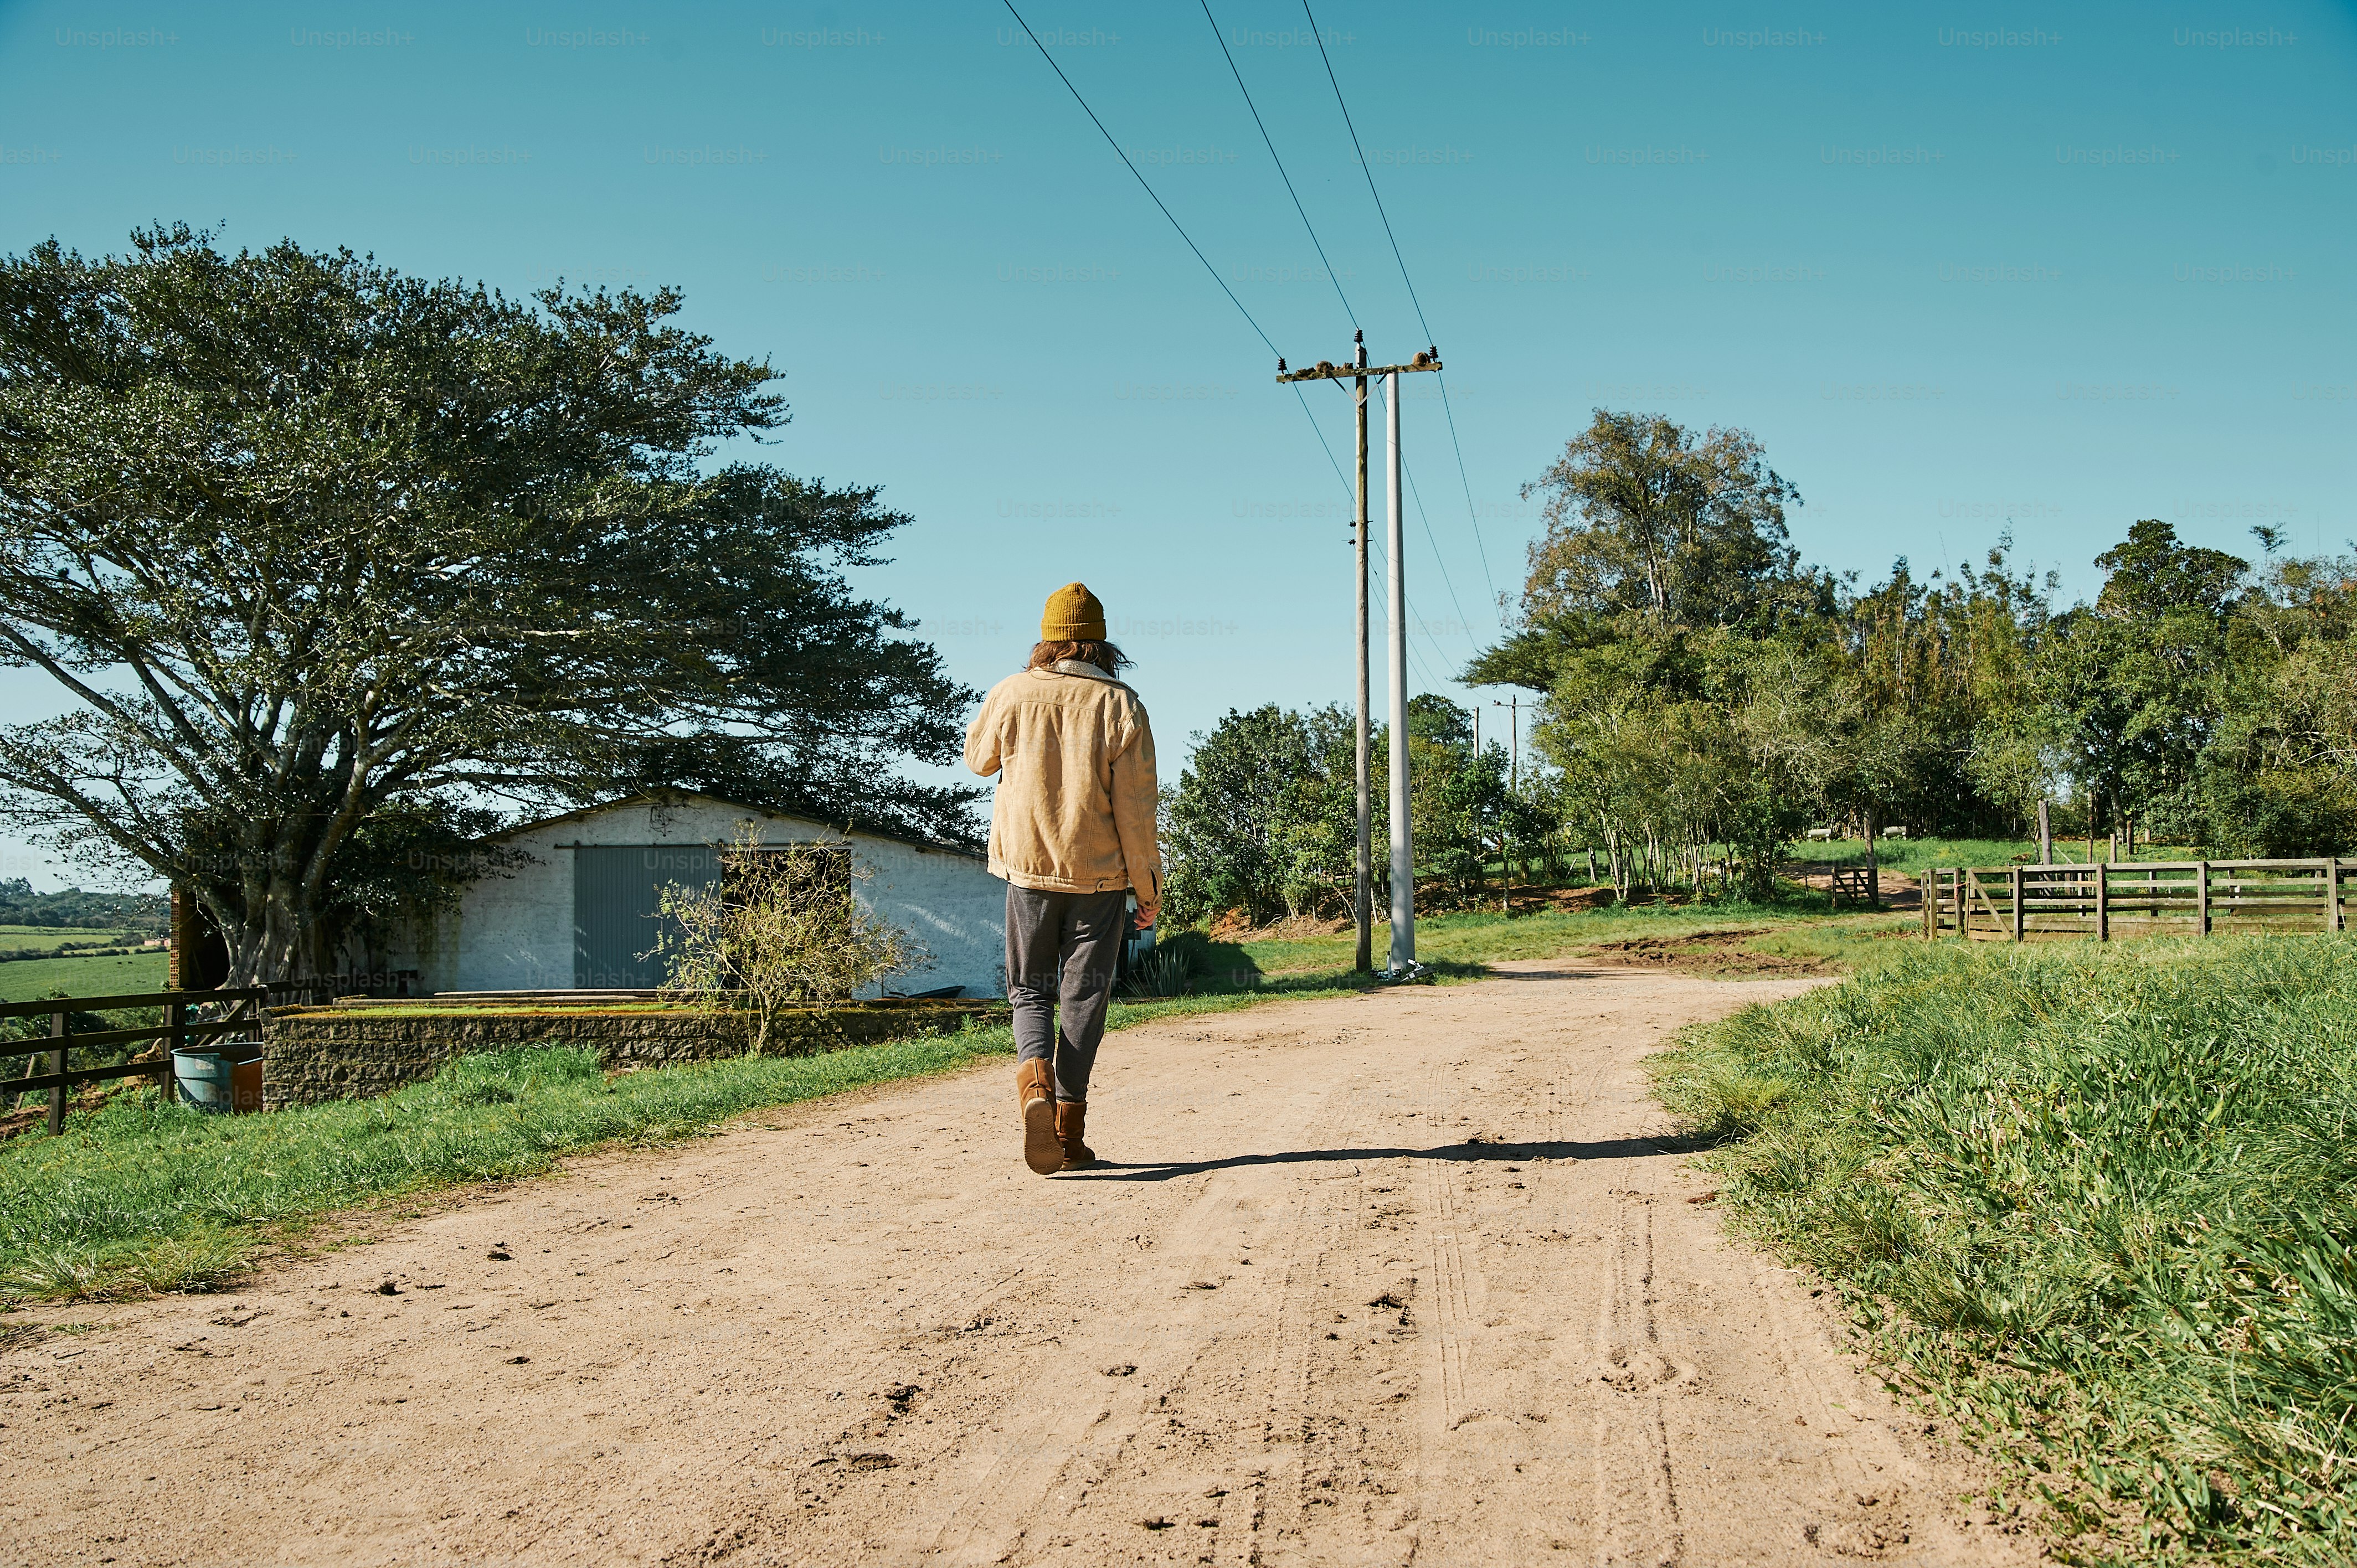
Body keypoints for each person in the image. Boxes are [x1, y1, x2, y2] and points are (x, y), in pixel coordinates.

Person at [964, 582, 1161, 1174]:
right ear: (1101, 644)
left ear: (1047, 640)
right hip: (1099, 881)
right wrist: (1147, 890)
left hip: (1027, 873)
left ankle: (1034, 1087)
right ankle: (1069, 1138)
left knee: (1028, 989)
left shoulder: (1011, 693)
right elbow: (1135, 809)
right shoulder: (1122, 705)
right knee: (1083, 999)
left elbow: (978, 760)